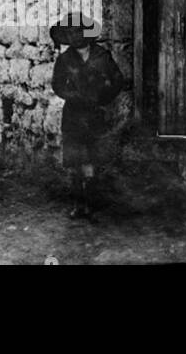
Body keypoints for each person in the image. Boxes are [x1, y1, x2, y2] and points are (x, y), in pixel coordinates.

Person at [50, 11, 124, 220]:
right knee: (74, 163)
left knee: (91, 162)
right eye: (70, 33)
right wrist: (72, 96)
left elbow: (117, 80)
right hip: (73, 116)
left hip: (94, 116)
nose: (75, 36)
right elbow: (57, 85)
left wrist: (102, 98)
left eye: (78, 31)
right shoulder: (65, 60)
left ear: (86, 32)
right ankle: (77, 204)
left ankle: (90, 205)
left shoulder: (101, 56)